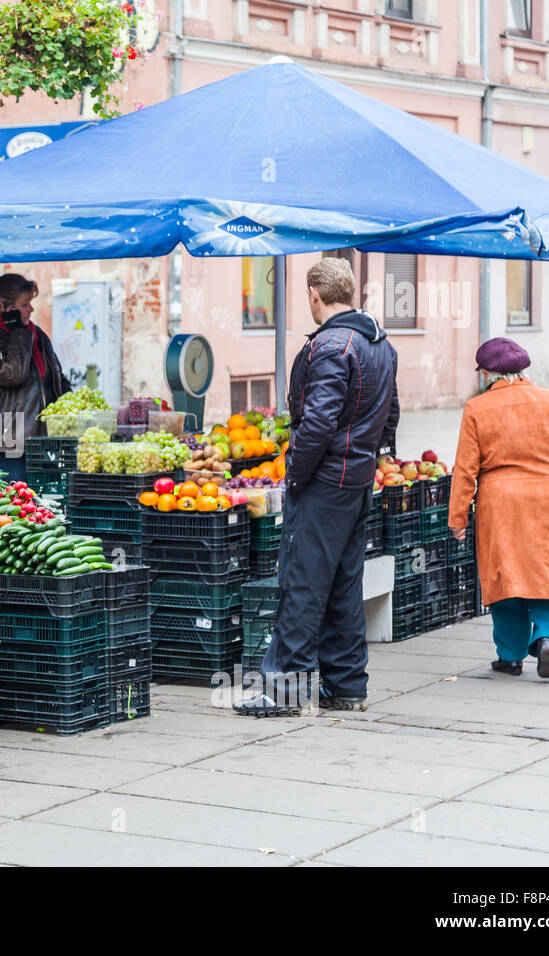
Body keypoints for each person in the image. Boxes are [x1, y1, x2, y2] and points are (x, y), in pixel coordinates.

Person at [234, 258, 399, 717]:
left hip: (326, 482)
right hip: (359, 480)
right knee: (345, 586)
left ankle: (282, 691)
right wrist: (371, 460)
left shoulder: (330, 346)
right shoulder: (379, 343)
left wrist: (298, 474)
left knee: (303, 584)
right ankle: (346, 686)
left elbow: (319, 421)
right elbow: (391, 415)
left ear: (314, 295)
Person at [448, 337, 549, 679]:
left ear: (487, 373)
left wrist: (458, 517)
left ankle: (511, 655)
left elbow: (466, 468)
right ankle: (545, 636)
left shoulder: (476, 410)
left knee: (505, 576)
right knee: (548, 572)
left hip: (504, 504)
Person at [0, 272, 69, 482]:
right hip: (5, 445)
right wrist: (18, 333)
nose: (31, 309)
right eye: (25, 304)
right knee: (11, 510)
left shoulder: (35, 334)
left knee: (41, 511)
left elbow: (56, 377)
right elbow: (12, 373)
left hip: (40, 443)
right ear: (7, 307)